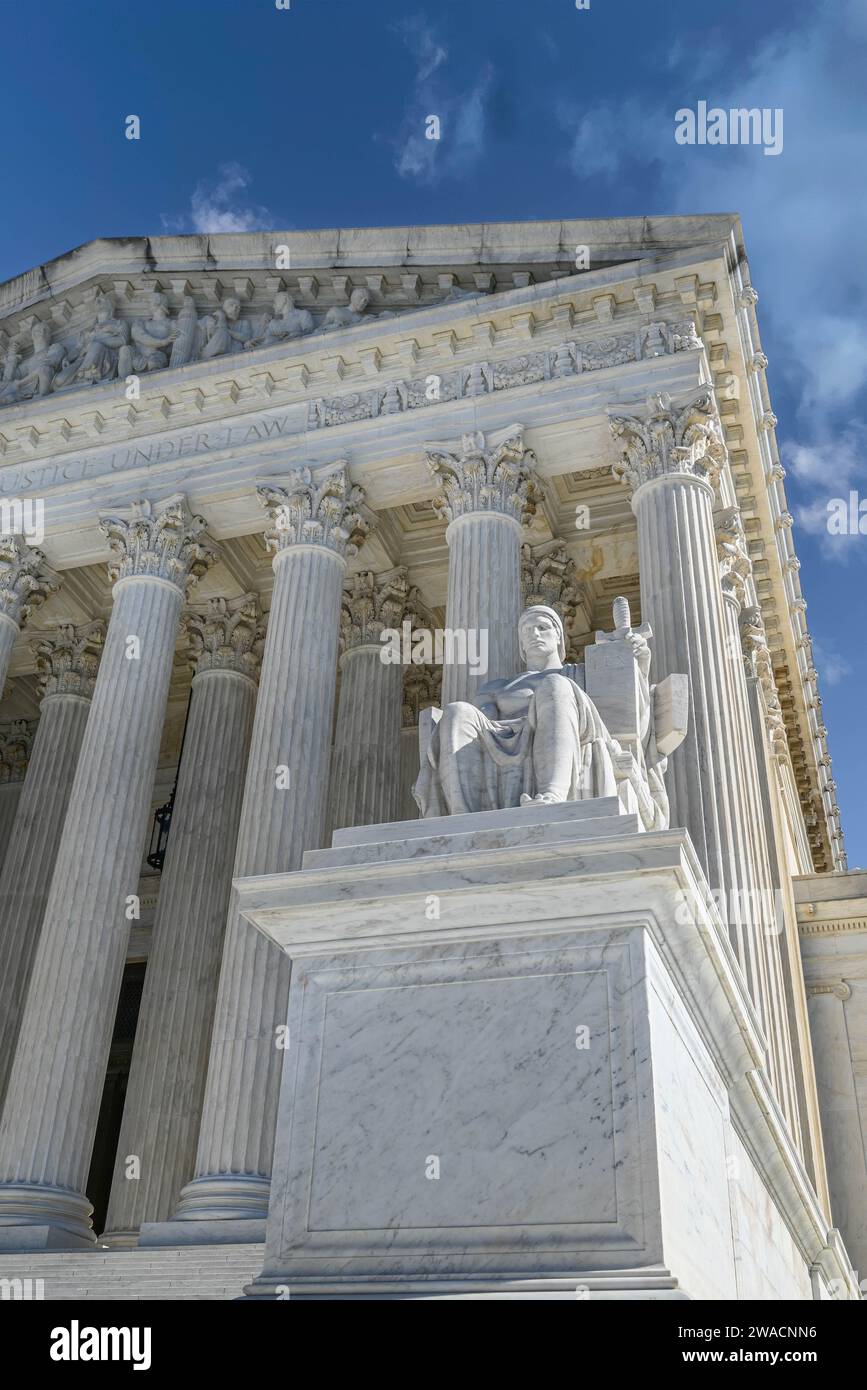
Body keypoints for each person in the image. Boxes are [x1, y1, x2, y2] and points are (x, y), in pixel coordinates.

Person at [413, 605, 619, 816]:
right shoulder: (496, 687)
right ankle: (463, 814)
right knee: (457, 711)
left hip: (563, 731)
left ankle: (553, 794)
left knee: (555, 684)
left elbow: (627, 708)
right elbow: (484, 728)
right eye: (527, 631)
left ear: (559, 636)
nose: (535, 634)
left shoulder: (580, 674)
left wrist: (637, 656)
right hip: (503, 740)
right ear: (521, 643)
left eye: (542, 627)